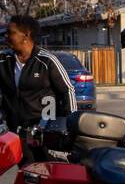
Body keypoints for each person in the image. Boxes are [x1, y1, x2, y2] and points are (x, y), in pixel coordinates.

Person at [0, 15, 77, 165]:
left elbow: (67, 91)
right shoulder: (4, 60)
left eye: (10, 32)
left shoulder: (47, 60)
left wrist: (71, 125)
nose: (6, 36)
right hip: (15, 131)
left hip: (44, 130)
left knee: (46, 170)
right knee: (27, 170)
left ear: (26, 36)